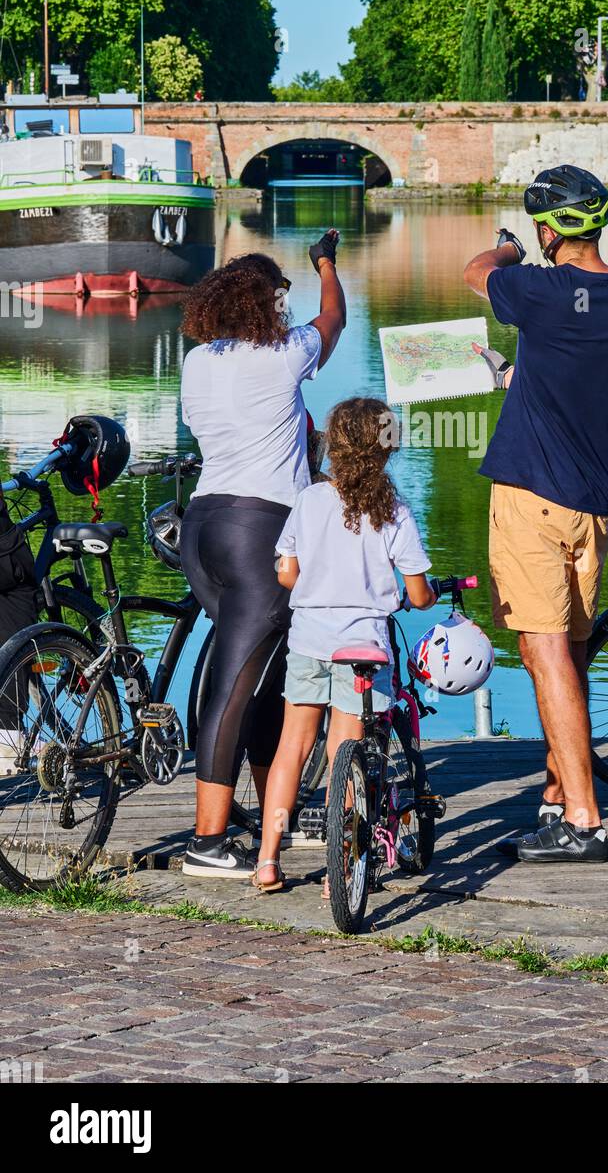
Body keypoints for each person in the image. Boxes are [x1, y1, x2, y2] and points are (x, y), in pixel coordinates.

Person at [464, 165, 608, 864]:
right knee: (567, 650)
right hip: (592, 505)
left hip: (530, 497)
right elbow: (586, 370)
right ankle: (555, 794)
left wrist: (508, 250)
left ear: (550, 230)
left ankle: (583, 820)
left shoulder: (535, 286)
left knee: (543, 654)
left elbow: (474, 271)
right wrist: (516, 376)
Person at [179, 236, 345, 878]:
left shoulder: (199, 361)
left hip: (204, 526)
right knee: (233, 684)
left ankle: (279, 808)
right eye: (282, 298)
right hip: (259, 529)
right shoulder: (283, 353)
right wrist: (327, 266)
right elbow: (333, 321)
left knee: (264, 673)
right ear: (269, 302)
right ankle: (207, 841)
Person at [252, 397, 437, 893]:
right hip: (364, 649)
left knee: (292, 744)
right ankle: (344, 868)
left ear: (333, 446)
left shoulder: (310, 500)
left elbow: (287, 573)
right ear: (387, 449)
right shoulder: (394, 510)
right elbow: (417, 594)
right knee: (345, 753)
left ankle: (267, 859)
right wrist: (423, 593)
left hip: (310, 638)